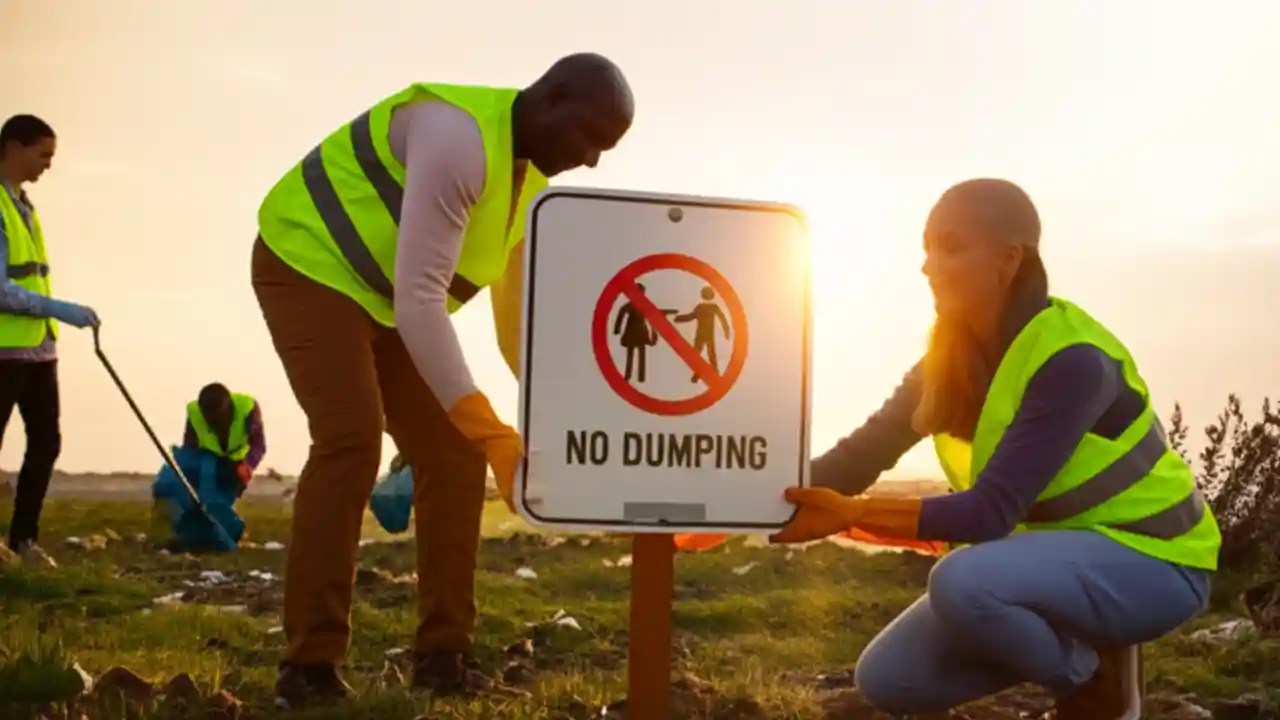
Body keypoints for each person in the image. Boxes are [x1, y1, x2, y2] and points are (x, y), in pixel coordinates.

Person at [251, 54, 633, 706]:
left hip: (392, 301)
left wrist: (533, 424)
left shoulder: (531, 190)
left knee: (456, 455)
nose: (593, 160)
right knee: (350, 441)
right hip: (311, 263)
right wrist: (488, 424)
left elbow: (518, 325)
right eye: (590, 137)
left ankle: (443, 658)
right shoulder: (456, 138)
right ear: (552, 98)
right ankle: (308, 666)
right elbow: (421, 301)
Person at [767, 179, 1220, 719]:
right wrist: (745, 499)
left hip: (1156, 564)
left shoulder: (1072, 361)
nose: (928, 265)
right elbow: (861, 455)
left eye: (950, 247)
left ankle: (1091, 684)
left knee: (962, 581)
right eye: (927, 248)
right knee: (888, 679)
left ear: (1009, 260)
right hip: (1049, 566)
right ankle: (1076, 641)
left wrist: (856, 515)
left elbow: (988, 513)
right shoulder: (946, 360)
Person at [0, 114, 100, 569]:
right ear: (14, 148)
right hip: (3, 351)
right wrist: (61, 308)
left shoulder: (24, 205)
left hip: (39, 350)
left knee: (46, 442)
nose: (48, 166)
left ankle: (23, 541)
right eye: (43, 155)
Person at [181, 382, 266, 495]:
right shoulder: (194, 414)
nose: (215, 424)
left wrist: (248, 464)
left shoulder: (247, 408)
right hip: (208, 462)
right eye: (209, 420)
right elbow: (189, 450)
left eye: (219, 418)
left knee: (228, 489)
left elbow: (258, 444)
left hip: (237, 466)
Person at [674, 285, 729, 382]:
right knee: (695, 355)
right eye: (705, 293)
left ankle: (715, 374)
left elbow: (722, 318)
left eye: (708, 293)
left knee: (711, 355)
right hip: (700, 334)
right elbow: (690, 316)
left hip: (708, 334)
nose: (707, 295)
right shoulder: (700, 307)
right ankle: (698, 372)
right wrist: (678, 318)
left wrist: (726, 329)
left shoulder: (714, 307)